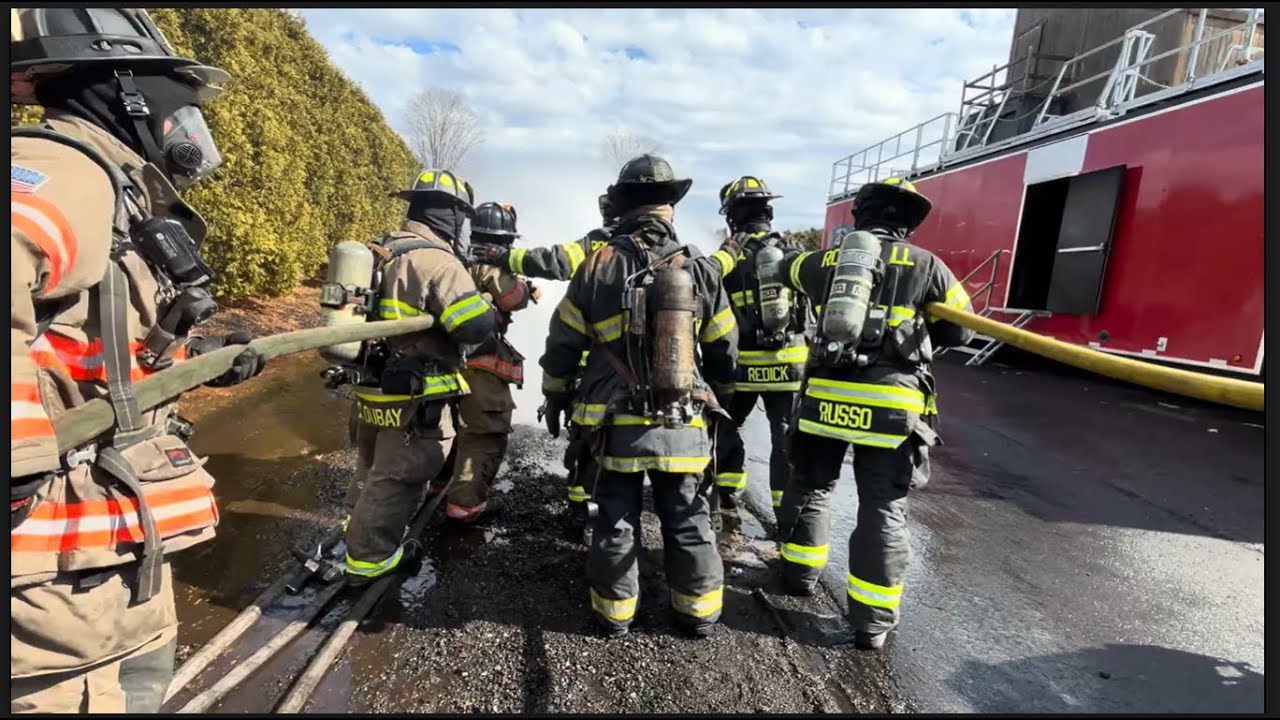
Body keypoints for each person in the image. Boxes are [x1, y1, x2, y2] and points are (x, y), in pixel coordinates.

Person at [10, 8, 266, 712]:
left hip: (108, 559)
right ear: (123, 92)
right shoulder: (65, 171)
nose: (186, 124)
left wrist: (203, 359)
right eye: (174, 96)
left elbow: (82, 353)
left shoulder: (113, 190)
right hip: (50, 579)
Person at [540, 154, 739, 638]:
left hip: (615, 424)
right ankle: (698, 613)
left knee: (616, 515)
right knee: (688, 514)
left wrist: (557, 393)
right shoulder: (702, 268)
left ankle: (614, 614)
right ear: (670, 207)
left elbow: (563, 343)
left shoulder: (597, 266)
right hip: (685, 420)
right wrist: (720, 402)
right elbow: (724, 348)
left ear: (623, 206)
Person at [772, 178, 975, 650]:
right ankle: (872, 623)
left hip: (825, 401)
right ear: (908, 222)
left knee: (813, 486)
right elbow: (962, 331)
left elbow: (786, 270)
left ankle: (800, 574)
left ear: (859, 216)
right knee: (883, 507)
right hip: (892, 408)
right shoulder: (930, 266)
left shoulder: (826, 262)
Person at [341, 168, 496, 583]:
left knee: (371, 466)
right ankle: (369, 559)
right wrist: (483, 302)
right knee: (403, 474)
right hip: (416, 393)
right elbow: (474, 328)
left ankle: (355, 531)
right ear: (453, 217)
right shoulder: (437, 261)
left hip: (371, 387)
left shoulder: (381, 248)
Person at [709, 176, 809, 515]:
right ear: (768, 211)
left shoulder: (727, 258)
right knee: (784, 439)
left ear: (731, 217)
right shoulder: (792, 254)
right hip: (788, 366)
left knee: (725, 426)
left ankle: (726, 495)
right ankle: (786, 512)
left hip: (741, 368)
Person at [445, 202, 537, 522]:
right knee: (484, 432)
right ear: (506, 240)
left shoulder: (452, 259)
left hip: (443, 362)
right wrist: (526, 286)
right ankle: (465, 506)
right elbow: (513, 299)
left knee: (447, 425)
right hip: (478, 366)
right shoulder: (491, 266)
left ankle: (436, 488)